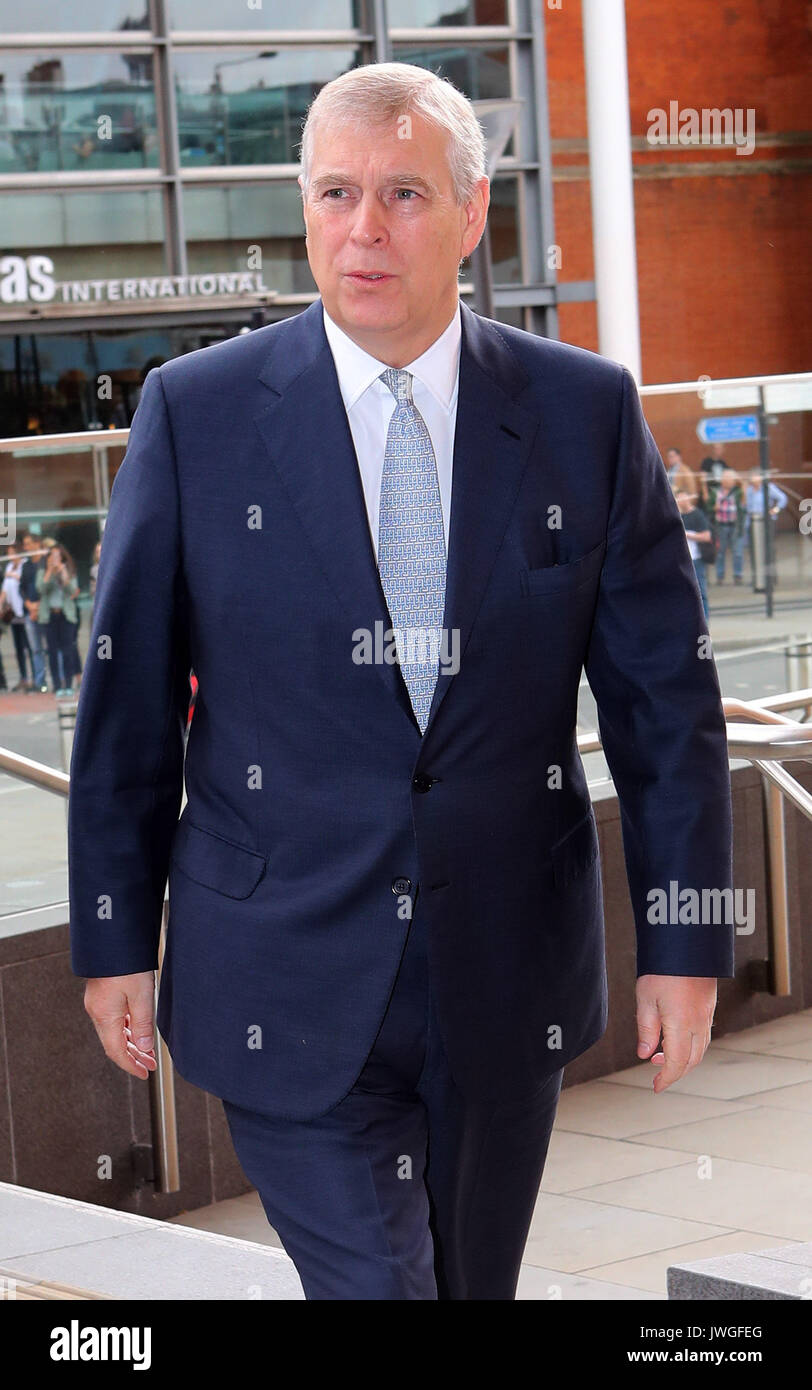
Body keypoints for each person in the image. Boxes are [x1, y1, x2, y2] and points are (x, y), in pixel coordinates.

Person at [69, 62, 734, 1302]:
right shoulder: (194, 414)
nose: (362, 228)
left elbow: (664, 702)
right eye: (334, 193)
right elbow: (127, 702)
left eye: (402, 195)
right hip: (280, 961)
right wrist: (113, 930)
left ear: (474, 215)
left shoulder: (581, 415)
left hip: (503, 969)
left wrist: (685, 937)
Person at [35, 541, 79, 696]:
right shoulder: (44, 572)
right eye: (51, 556)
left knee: (67, 651)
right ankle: (57, 685)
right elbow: (40, 588)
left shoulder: (69, 570)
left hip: (65, 615)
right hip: (49, 616)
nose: (54, 559)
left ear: (62, 557)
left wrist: (62, 572)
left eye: (57, 556)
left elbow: (72, 590)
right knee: (52, 652)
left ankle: (68, 684)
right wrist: (49, 571)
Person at [745, 468, 787, 591]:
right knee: (755, 550)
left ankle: (770, 577)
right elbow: (748, 507)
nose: (752, 479)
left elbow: (783, 498)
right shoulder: (749, 490)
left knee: (768, 549)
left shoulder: (769, 488)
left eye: (755, 476)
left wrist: (775, 510)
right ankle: (757, 577)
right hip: (754, 522)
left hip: (766, 522)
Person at [18, 529, 49, 693]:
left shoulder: (45, 562)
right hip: (30, 613)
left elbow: (48, 586)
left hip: (45, 611)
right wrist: (29, 605)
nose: (27, 547)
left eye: (29, 544)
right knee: (35, 649)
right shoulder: (26, 566)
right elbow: (21, 589)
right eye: (25, 545)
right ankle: (40, 682)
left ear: (37, 544)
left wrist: (39, 605)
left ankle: (60, 680)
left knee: (51, 646)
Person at [675, 489, 712, 620]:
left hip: (696, 558)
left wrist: (688, 534)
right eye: (679, 499)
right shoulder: (676, 515)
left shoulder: (697, 515)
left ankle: (704, 621)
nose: (682, 502)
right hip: (681, 560)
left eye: (684, 498)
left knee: (700, 591)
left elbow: (707, 536)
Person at [1, 542, 33, 690]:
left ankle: (35, 678)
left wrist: (13, 575)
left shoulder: (25, 565)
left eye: (13, 553)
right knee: (19, 648)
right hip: (13, 614)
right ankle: (23, 677)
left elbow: (24, 581)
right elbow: (5, 591)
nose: (10, 556)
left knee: (30, 647)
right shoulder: (8, 567)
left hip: (24, 611)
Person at [713, 468, 747, 584]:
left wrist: (741, 482)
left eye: (729, 478)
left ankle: (738, 575)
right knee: (720, 552)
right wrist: (715, 507)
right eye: (725, 478)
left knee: (737, 552)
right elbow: (709, 506)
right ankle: (720, 576)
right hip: (721, 525)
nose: (727, 481)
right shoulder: (716, 491)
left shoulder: (738, 492)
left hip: (735, 525)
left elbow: (744, 502)